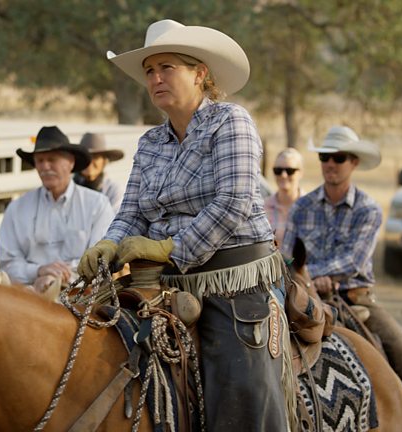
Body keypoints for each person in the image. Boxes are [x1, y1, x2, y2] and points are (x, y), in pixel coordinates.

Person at [78, 19, 291, 431]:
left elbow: (233, 202)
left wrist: (170, 249)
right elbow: (132, 212)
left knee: (240, 382)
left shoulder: (231, 122)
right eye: (149, 72)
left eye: (167, 68)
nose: (155, 78)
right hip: (162, 281)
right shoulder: (150, 143)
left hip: (232, 280)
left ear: (200, 73)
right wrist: (108, 243)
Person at [281, 125, 402, 430]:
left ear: (354, 163)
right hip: (304, 297)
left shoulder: (369, 210)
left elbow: (353, 260)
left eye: (338, 158)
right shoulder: (302, 207)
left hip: (355, 296)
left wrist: (317, 273)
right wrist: (305, 278)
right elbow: (288, 255)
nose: (330, 164)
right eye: (325, 157)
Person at [0, 125, 114, 297]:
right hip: (28, 298)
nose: (45, 166)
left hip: (83, 299)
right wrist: (39, 271)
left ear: (71, 162)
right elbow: (7, 264)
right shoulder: (17, 209)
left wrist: (56, 278)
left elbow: (101, 261)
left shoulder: (97, 205)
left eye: (52, 159)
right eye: (40, 160)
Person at [73, 132, 125, 211]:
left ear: (104, 162)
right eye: (85, 157)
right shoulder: (68, 186)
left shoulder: (113, 190)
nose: (89, 162)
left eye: (95, 157)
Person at [265, 147, 304, 247]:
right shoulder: (261, 209)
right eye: (278, 170)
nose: (283, 175)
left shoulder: (313, 207)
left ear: (301, 173)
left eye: (290, 170)